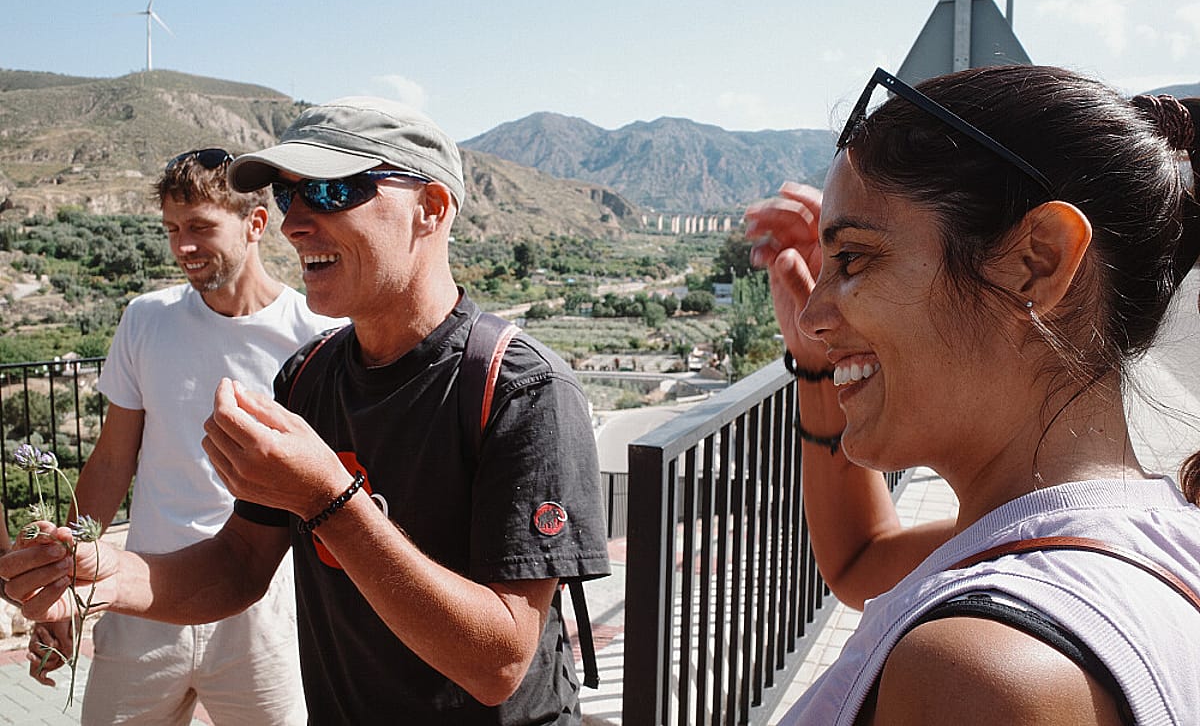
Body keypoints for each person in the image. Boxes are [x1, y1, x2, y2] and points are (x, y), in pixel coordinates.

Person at [1, 98, 611, 725]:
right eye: (290, 196)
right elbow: (241, 563)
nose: (295, 223)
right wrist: (105, 576)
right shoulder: (308, 375)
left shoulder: (523, 390)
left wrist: (328, 500)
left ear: (430, 207)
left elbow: (499, 667)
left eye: (330, 190)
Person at [744, 66, 1200, 725]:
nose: (813, 315)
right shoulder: (1154, 530)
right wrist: (822, 369)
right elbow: (861, 559)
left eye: (853, 258)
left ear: (1037, 262)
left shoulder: (978, 673)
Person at [31, 148, 342, 724]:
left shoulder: (318, 336)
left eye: (200, 227)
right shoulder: (146, 319)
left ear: (255, 223)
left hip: (264, 611)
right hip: (144, 594)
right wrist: (64, 586)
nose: (183, 247)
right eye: (172, 229)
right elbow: (111, 462)